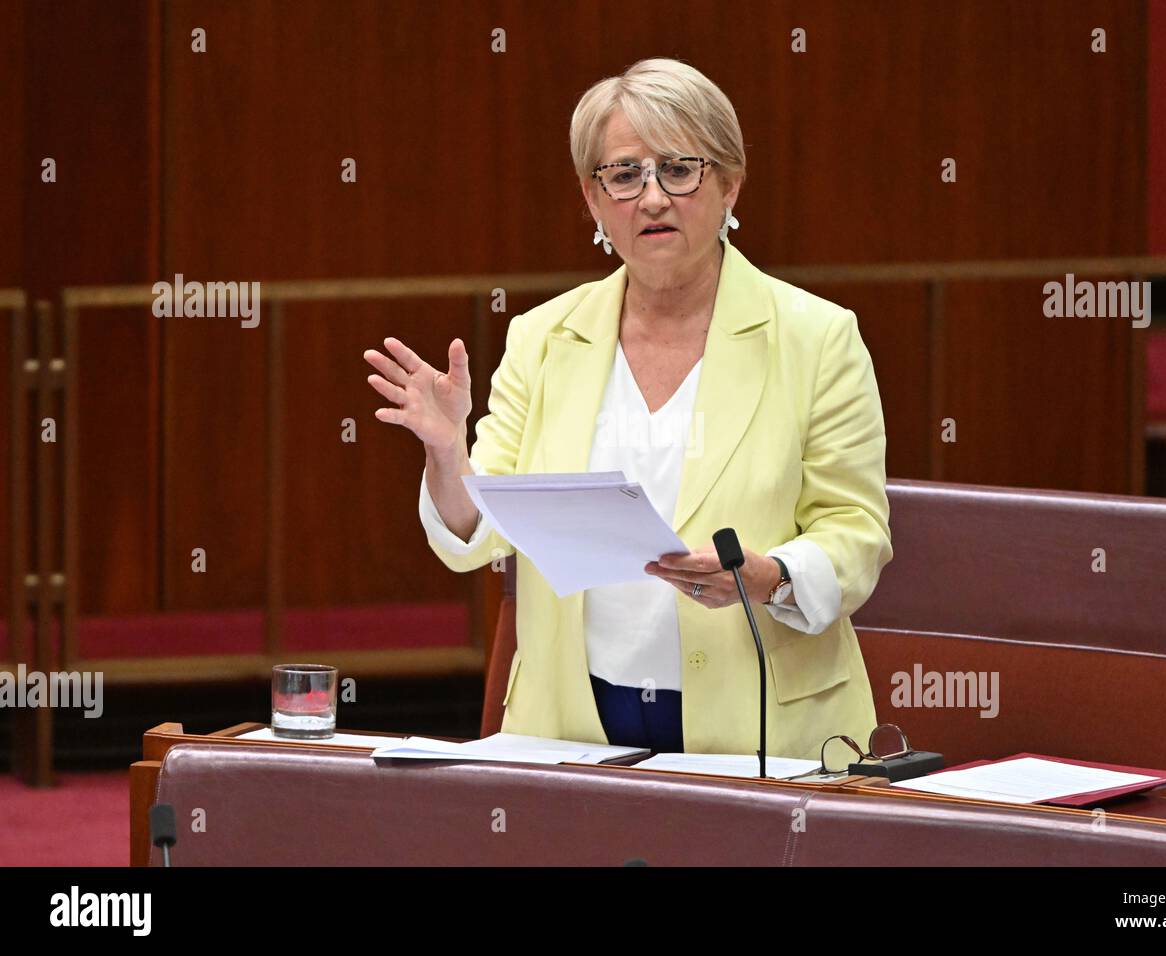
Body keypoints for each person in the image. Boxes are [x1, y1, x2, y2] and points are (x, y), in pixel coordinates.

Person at [364, 57, 892, 760]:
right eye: (624, 175)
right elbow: (476, 537)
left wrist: (771, 576)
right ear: (591, 197)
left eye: (680, 169)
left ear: (730, 184)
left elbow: (856, 531)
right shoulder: (542, 338)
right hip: (571, 721)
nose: (651, 198)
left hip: (763, 726)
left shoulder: (817, 338)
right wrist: (446, 452)